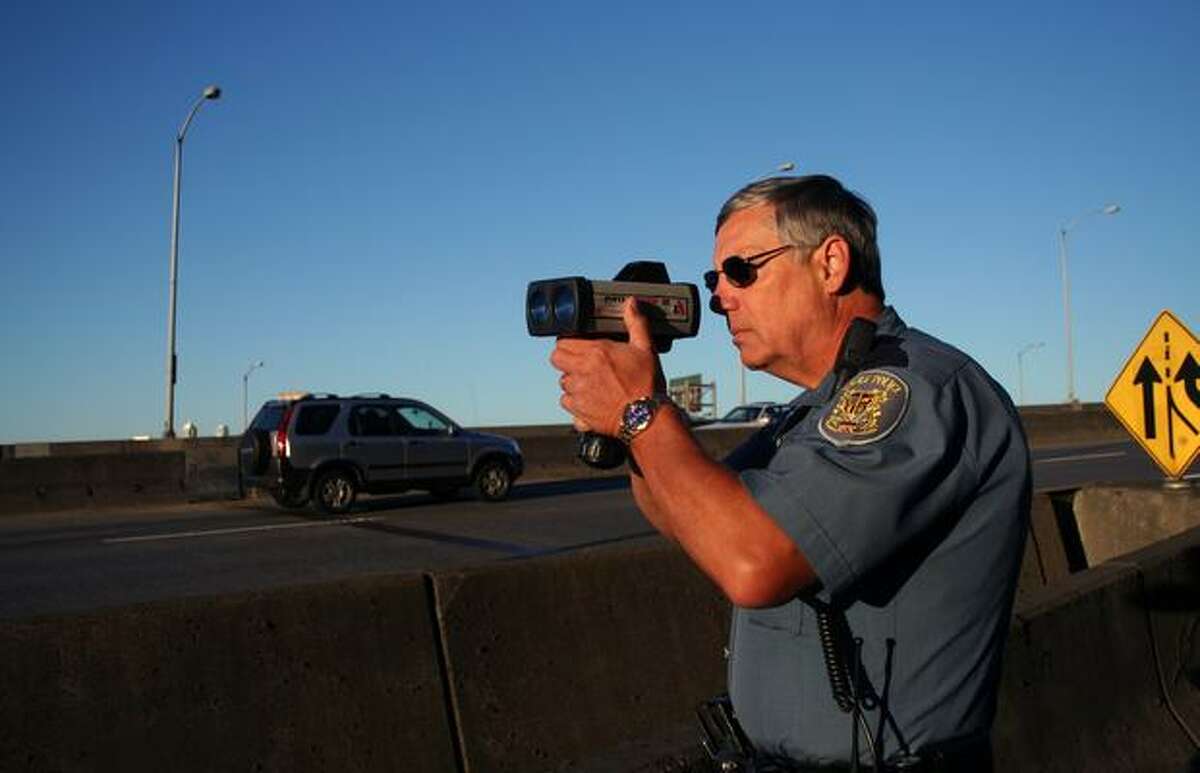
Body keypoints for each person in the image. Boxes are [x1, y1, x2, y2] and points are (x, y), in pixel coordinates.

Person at [549, 174, 1030, 771]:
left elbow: (752, 563)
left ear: (830, 263)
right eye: (714, 280)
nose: (723, 297)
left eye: (741, 271)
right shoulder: (816, 409)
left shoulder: (911, 391)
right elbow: (691, 519)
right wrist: (630, 433)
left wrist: (640, 413)